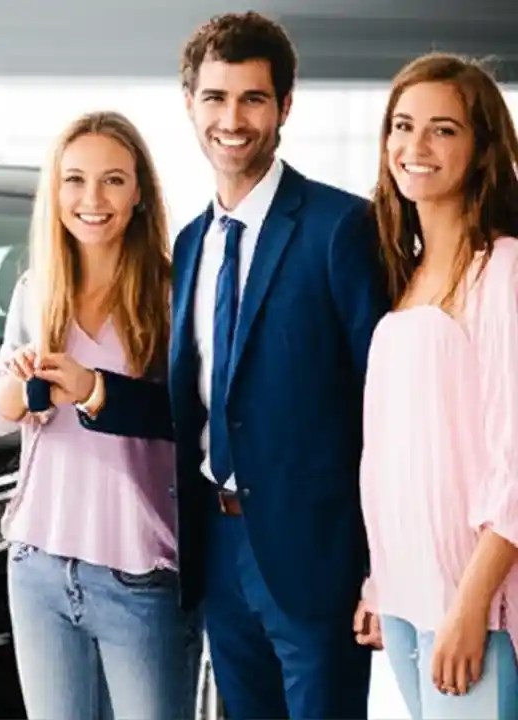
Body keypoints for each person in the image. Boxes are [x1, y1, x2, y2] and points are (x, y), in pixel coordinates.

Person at [66, 11, 390, 719]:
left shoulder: (342, 227)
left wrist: (379, 567)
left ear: (284, 107)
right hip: (216, 548)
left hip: (315, 558)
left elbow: (385, 407)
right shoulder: (189, 244)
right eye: (215, 98)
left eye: (253, 98)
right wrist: (96, 392)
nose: (232, 119)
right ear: (189, 104)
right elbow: (201, 406)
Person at [0, 110, 199, 720]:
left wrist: (95, 388)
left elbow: (193, 418)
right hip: (38, 566)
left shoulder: (175, 295)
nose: (91, 199)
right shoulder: (36, 291)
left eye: (112, 180)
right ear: (56, 191)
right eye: (75, 180)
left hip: (141, 572)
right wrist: (18, 388)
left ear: (140, 193)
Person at [354, 53, 518, 719]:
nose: (414, 147)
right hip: (403, 598)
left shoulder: (503, 270)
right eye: (402, 125)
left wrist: (470, 605)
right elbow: (397, 451)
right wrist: (378, 582)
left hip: (474, 602)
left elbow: (515, 460)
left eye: (443, 130)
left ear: (481, 147)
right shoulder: (406, 279)